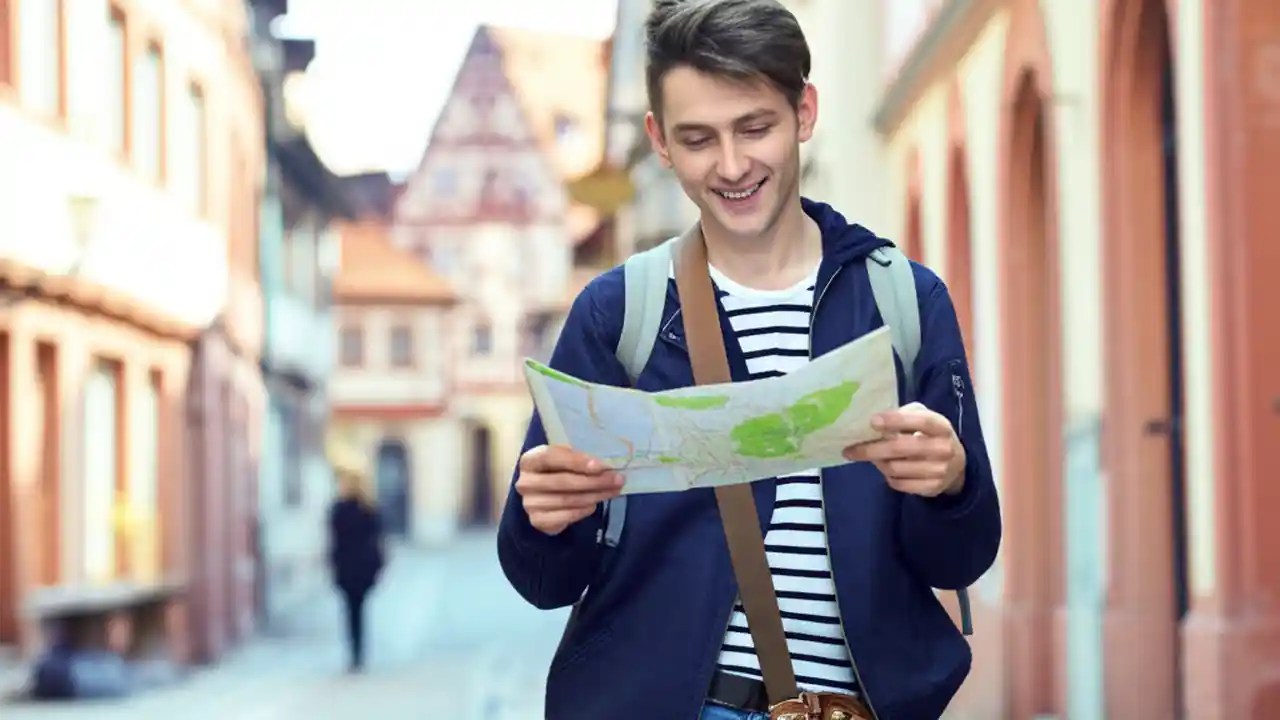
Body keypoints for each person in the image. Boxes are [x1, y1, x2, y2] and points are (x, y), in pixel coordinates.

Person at [497, 1, 1001, 717]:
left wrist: (950, 486)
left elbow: (961, 559)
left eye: (754, 128)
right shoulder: (620, 315)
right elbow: (544, 581)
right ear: (659, 141)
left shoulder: (903, 302)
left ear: (804, 112)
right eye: (697, 139)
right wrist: (542, 516)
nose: (731, 166)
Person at [327, 462, 384, 672]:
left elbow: (333, 539)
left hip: (348, 568)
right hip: (362, 568)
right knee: (358, 610)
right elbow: (378, 538)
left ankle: (355, 652)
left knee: (351, 611)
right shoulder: (367, 509)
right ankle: (358, 652)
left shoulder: (339, 510)